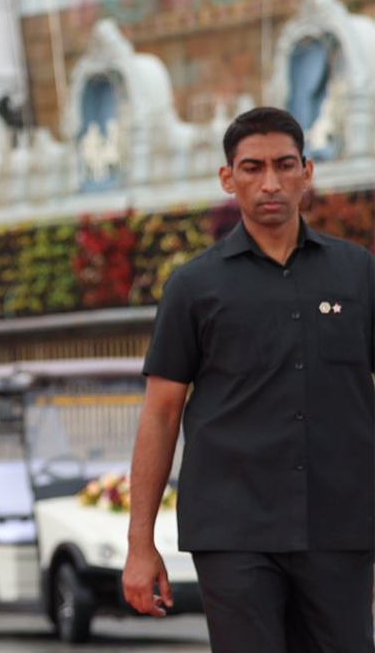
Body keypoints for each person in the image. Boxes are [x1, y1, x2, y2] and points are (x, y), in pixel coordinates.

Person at [123, 106, 375, 652]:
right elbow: (161, 413)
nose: (270, 182)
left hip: (341, 526)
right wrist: (140, 543)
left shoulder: (358, 274)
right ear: (227, 177)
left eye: (285, 165)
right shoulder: (193, 287)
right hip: (234, 531)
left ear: (307, 172)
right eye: (253, 167)